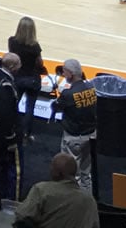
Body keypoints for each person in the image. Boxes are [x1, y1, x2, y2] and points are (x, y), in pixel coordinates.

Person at [14, 152, 99, 228]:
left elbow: (22, 218)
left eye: (52, 167)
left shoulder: (42, 190)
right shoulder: (90, 201)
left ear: (58, 173)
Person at [7, 16, 47, 164]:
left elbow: (12, 57)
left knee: (14, 105)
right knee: (30, 108)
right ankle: (25, 135)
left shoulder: (12, 41)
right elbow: (40, 63)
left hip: (17, 78)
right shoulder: (35, 47)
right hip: (32, 79)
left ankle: (11, 129)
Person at [55, 60, 98, 192]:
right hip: (91, 136)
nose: (63, 74)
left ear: (70, 74)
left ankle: (74, 200)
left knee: (72, 174)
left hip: (74, 138)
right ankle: (88, 198)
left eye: (64, 72)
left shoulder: (68, 94)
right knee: (86, 173)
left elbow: (56, 107)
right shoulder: (92, 88)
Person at [0, 53, 22, 208]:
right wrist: (11, 137)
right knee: (13, 168)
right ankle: (11, 201)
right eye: (19, 64)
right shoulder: (6, 85)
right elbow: (6, 113)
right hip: (5, 132)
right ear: (12, 67)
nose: (20, 67)